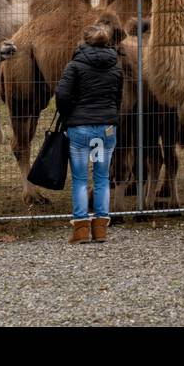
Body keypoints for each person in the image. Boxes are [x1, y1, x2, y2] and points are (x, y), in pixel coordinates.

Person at [55, 23, 123, 244]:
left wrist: (70, 116)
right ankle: (101, 229)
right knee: (102, 177)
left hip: (80, 128)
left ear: (84, 42)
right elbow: (118, 97)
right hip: (106, 129)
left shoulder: (75, 65)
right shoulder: (116, 66)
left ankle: (81, 228)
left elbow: (62, 95)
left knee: (80, 179)